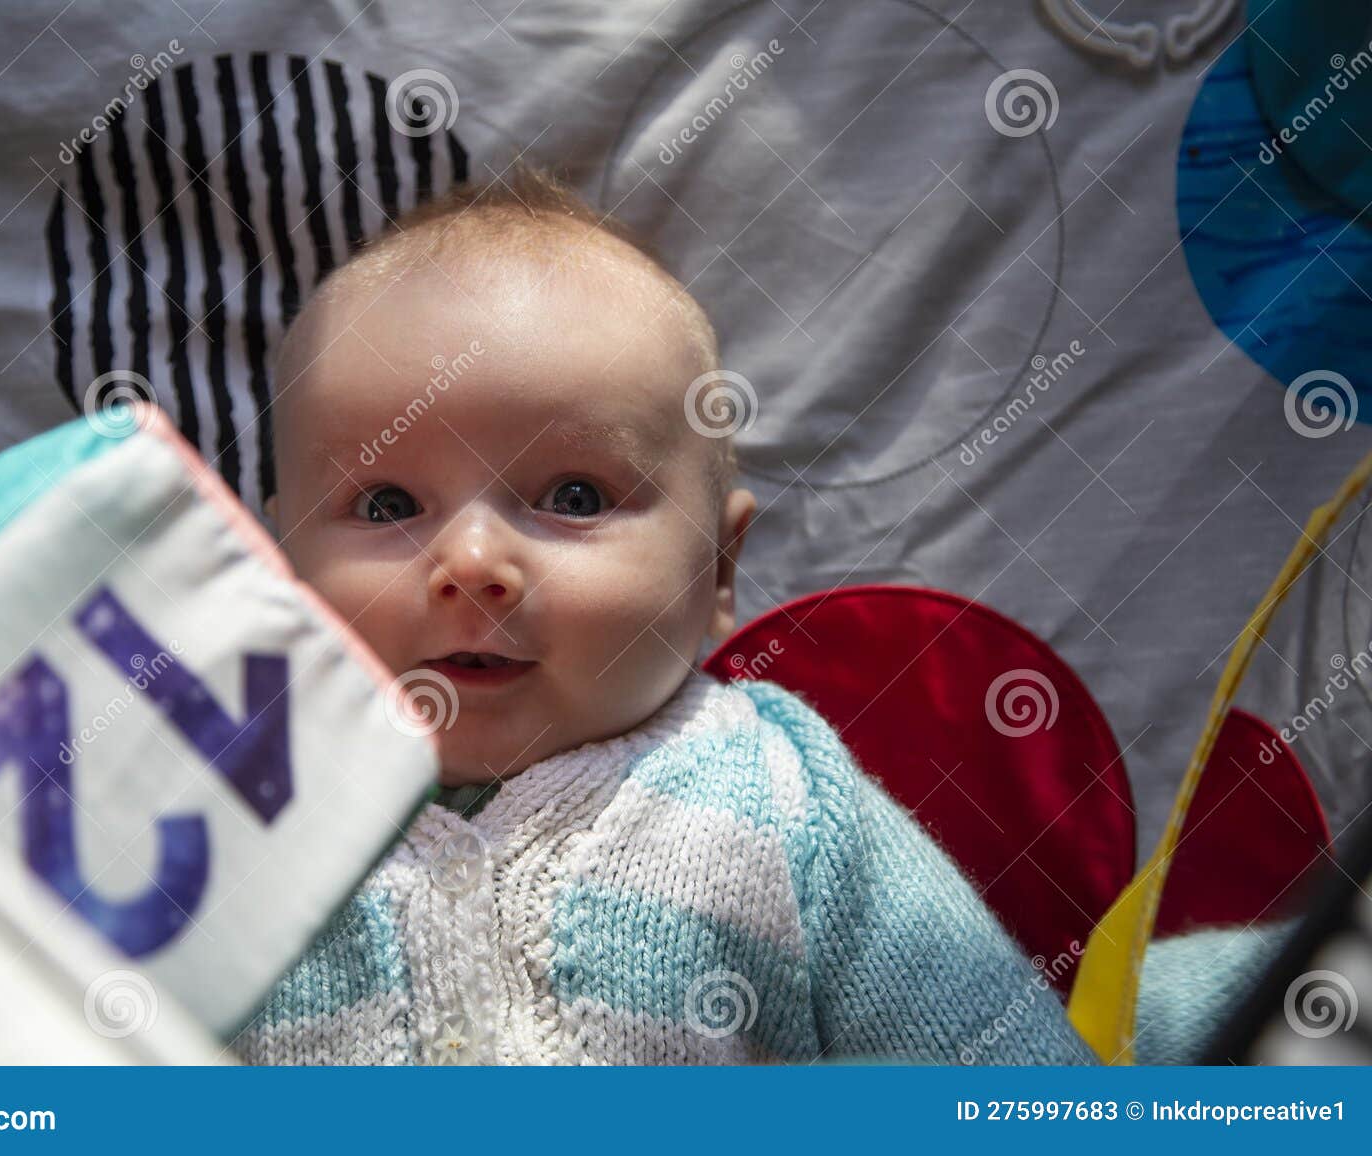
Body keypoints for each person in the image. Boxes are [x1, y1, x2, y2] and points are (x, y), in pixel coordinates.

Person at [241, 165, 1095, 1065]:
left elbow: (999, 1065)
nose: (474, 564)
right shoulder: (229, 806)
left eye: (573, 494)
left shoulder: (788, 800)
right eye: (385, 506)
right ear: (271, 569)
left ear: (719, 569)